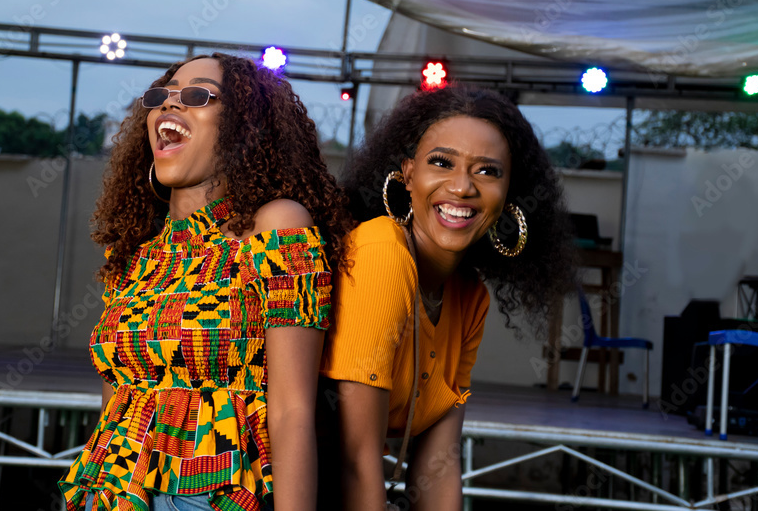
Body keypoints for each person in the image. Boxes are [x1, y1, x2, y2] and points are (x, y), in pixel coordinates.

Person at [60, 53, 351, 511]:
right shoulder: (136, 252)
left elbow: (293, 410)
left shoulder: (276, 227)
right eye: (161, 96)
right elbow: (115, 402)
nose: (169, 106)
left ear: (244, 126)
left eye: (196, 95)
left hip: (211, 493)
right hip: (112, 491)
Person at [318, 85, 576, 511]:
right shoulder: (382, 253)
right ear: (407, 173)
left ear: (509, 194)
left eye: (487, 172)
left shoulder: (470, 296)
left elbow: (437, 467)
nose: (461, 187)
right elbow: (355, 460)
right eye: (442, 163)